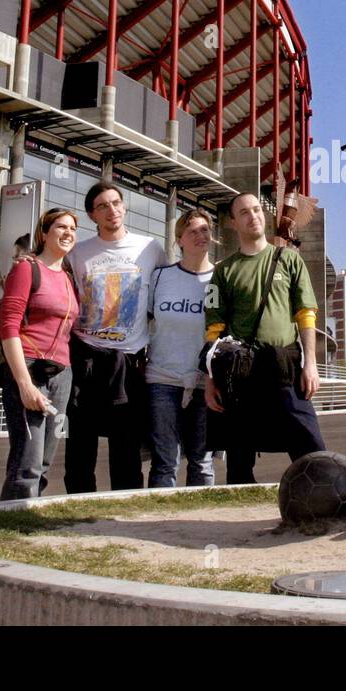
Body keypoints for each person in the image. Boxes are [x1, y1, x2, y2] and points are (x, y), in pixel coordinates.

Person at [204, 192, 325, 484]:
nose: (252, 216)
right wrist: (210, 380)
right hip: (241, 371)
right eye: (243, 212)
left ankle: (323, 493)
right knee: (239, 457)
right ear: (234, 223)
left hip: (285, 364)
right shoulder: (222, 272)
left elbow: (306, 314)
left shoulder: (289, 259)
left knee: (310, 445)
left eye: (257, 209)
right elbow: (213, 330)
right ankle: (237, 520)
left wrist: (311, 363)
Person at [63, 181, 166, 493]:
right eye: (103, 206)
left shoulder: (151, 249)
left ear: (124, 206)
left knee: (126, 448)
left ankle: (125, 508)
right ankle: (78, 510)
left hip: (129, 362)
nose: (112, 211)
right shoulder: (78, 253)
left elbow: (160, 301)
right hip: (86, 358)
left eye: (116, 203)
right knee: (80, 445)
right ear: (93, 215)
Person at [0, 208, 79, 500]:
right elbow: (8, 327)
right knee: (27, 462)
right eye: (60, 227)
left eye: (72, 228)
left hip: (62, 374)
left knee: (44, 461)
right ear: (44, 233)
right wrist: (24, 384)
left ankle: (29, 519)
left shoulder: (68, 276)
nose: (68, 232)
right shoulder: (26, 269)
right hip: (31, 370)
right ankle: (12, 525)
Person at [145, 209, 216, 488]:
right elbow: (144, 321)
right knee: (165, 461)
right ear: (179, 241)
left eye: (205, 230)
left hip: (204, 382)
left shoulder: (220, 279)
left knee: (202, 461)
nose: (200, 235)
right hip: (162, 380)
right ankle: (160, 523)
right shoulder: (161, 278)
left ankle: (200, 522)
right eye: (192, 231)